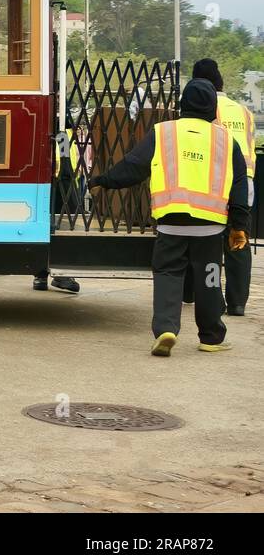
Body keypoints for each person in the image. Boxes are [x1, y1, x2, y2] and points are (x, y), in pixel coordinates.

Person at [89, 78, 249, 355]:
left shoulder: (163, 133)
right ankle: (211, 338)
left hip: (171, 223)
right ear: (213, 107)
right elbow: (239, 188)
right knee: (210, 279)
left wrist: (104, 180)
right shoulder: (226, 140)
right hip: (210, 228)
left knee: (167, 274)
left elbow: (133, 166)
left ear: (182, 104)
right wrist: (239, 227)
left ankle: (165, 328)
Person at [185, 59, 256, 315]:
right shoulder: (244, 112)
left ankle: (196, 294)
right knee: (238, 239)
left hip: (216, 180)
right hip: (245, 182)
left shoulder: (206, 106)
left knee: (204, 240)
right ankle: (237, 302)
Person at [34, 128, 82, 293]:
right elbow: (66, 164)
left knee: (50, 228)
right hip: (59, 184)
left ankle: (41, 275)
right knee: (58, 229)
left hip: (60, 183)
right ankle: (58, 275)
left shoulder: (65, 132)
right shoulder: (61, 132)